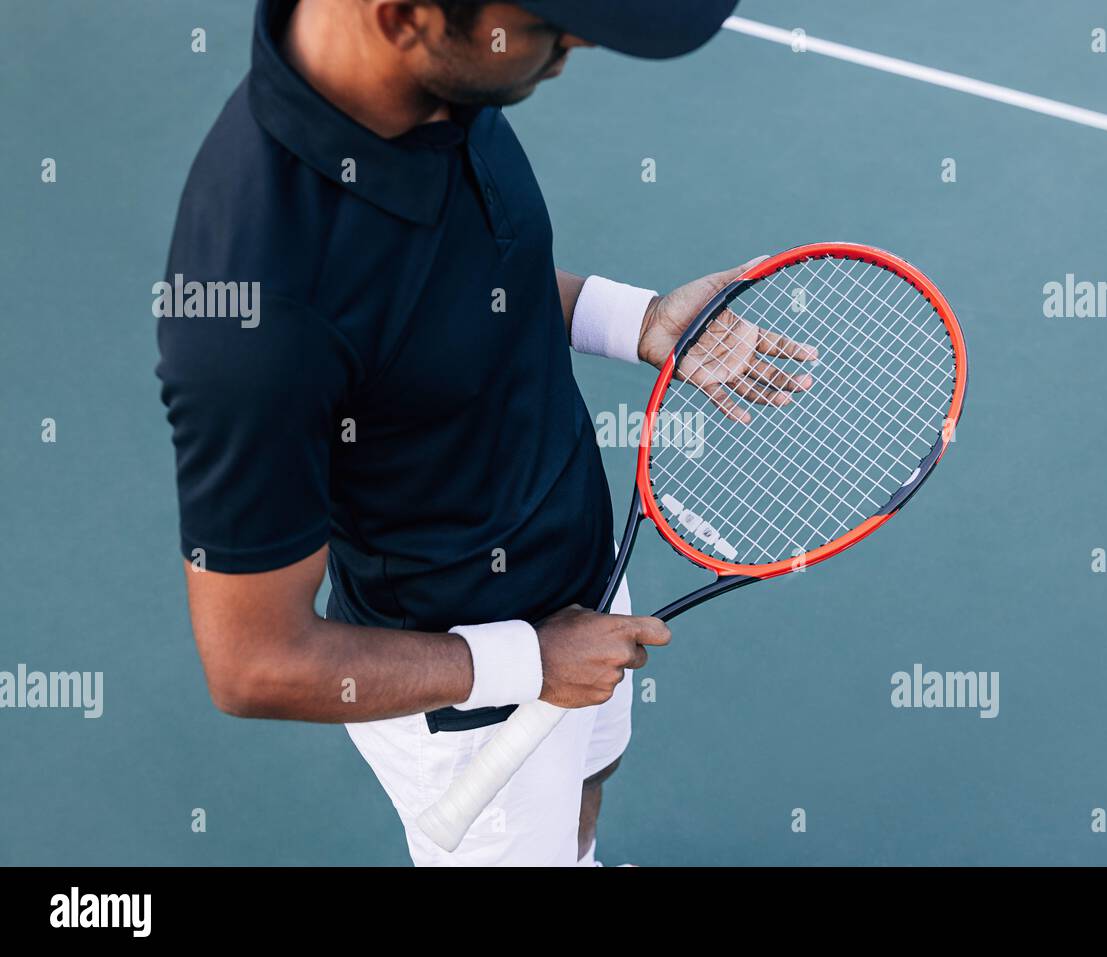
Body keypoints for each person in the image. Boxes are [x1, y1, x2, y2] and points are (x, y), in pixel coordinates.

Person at [157, 0, 805, 866]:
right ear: (405, 17)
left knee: (586, 788)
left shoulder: (444, 79)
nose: (572, 47)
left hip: (579, 578)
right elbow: (253, 662)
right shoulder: (261, 318)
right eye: (552, 27)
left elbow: (464, 293)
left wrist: (638, 319)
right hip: (473, 696)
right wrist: (528, 661)